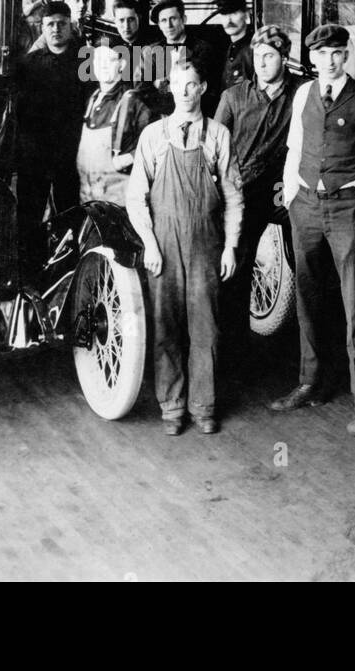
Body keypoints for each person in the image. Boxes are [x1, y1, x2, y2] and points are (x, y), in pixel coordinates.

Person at [270, 23, 355, 413]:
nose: (330, 60)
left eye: (337, 52)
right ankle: (310, 382)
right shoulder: (304, 93)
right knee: (308, 297)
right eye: (322, 54)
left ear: (346, 55)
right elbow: (294, 150)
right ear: (312, 58)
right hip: (305, 205)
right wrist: (291, 197)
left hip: (346, 208)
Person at [126, 58, 243, 436]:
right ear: (170, 88)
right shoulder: (154, 136)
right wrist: (150, 244)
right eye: (179, 84)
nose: (185, 92)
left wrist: (230, 247)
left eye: (192, 84)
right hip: (164, 244)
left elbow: (233, 197)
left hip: (206, 245)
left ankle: (203, 407)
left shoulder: (219, 135)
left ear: (203, 88)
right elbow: (136, 197)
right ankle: (172, 407)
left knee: (206, 327)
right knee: (166, 326)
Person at [213, 24, 299, 378]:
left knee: (307, 264)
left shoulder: (301, 94)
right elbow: (215, 145)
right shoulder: (235, 96)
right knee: (236, 270)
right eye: (258, 56)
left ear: (284, 57)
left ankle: (300, 362)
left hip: (283, 192)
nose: (262, 63)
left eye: (270, 56)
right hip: (243, 192)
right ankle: (233, 357)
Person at [15, 1, 88, 271]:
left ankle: (67, 267)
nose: (56, 29)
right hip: (34, 153)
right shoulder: (28, 64)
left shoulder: (86, 60)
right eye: (50, 25)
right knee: (29, 214)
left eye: (61, 24)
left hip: (71, 151)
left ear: (70, 25)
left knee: (69, 210)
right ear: (42, 28)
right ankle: (31, 269)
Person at [76, 41, 158, 207]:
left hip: (119, 206)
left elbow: (155, 145)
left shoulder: (133, 101)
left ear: (122, 64)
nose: (103, 66)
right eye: (98, 60)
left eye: (110, 60)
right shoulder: (92, 100)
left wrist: (127, 159)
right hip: (87, 203)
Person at [212, 0, 254, 90]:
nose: (229, 20)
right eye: (224, 15)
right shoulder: (226, 48)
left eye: (234, 13)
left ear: (246, 14)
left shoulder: (253, 50)